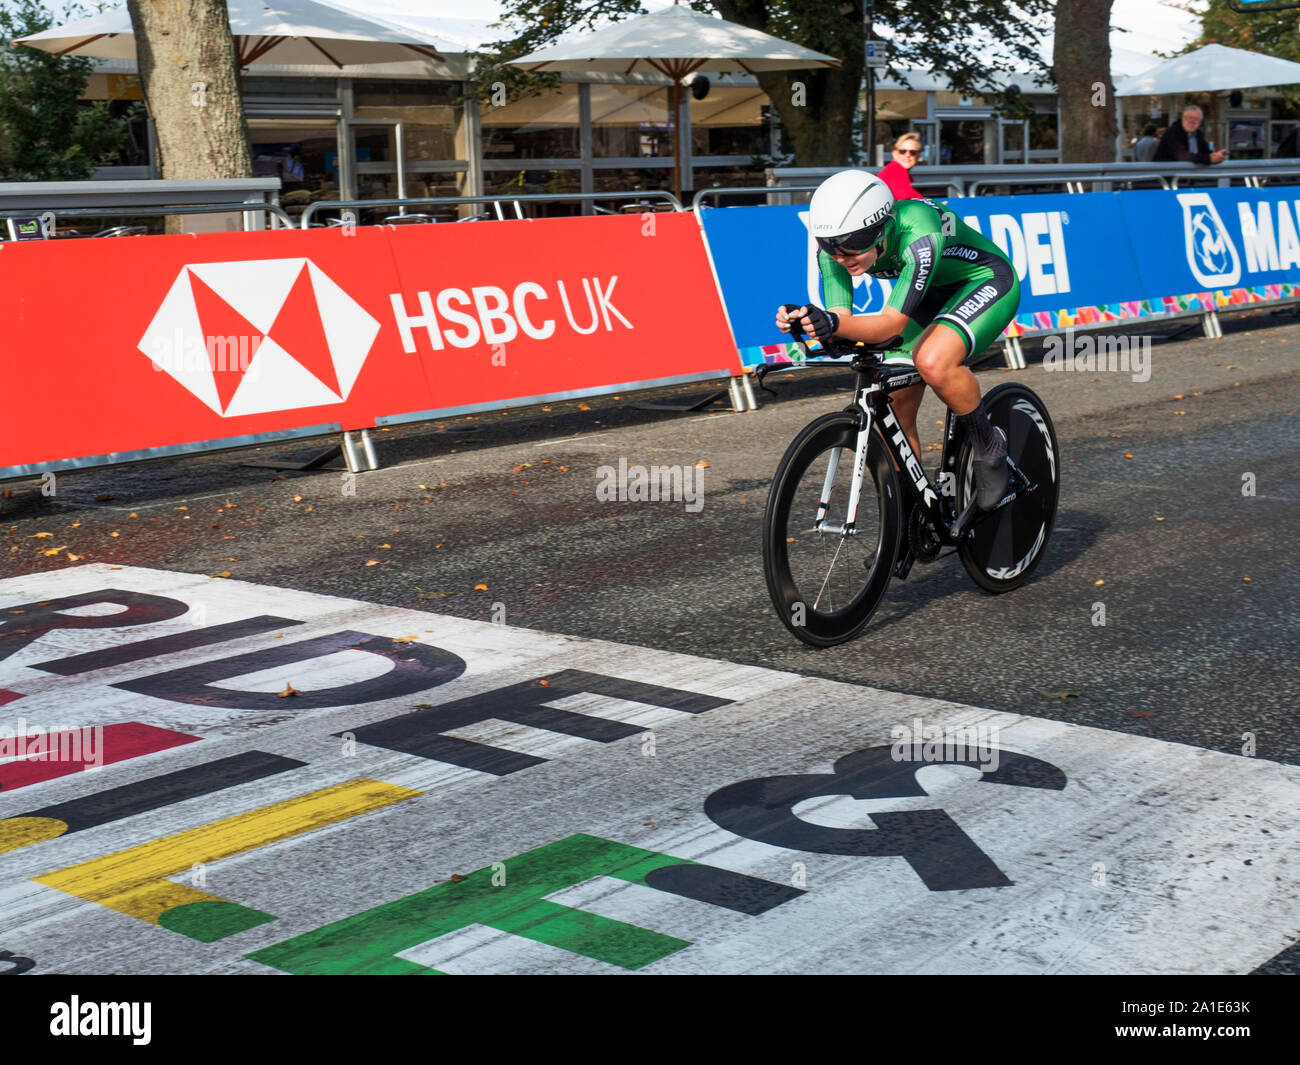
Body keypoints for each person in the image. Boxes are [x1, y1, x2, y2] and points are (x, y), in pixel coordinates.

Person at [776, 169, 1020, 511]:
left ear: (879, 231)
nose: (841, 259)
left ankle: (989, 445)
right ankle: (908, 519)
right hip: (926, 296)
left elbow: (890, 325)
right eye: (832, 249)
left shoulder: (918, 231)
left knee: (933, 361)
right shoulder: (834, 249)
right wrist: (812, 323)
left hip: (983, 281)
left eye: (850, 250)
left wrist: (832, 323)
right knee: (894, 397)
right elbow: (842, 322)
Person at [1154, 106, 1227, 165]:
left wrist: (1217, 155)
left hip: (1189, 178)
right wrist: (1209, 159)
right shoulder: (1172, 132)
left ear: (1200, 122)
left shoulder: (1198, 134)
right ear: (1183, 119)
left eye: (1196, 119)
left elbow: (1206, 152)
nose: (1192, 121)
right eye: (1189, 118)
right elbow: (1182, 156)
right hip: (1166, 178)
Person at [877, 131, 924, 200]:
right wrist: (932, 205)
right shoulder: (895, 169)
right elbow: (906, 195)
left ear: (919, 155)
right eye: (902, 151)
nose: (907, 155)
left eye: (912, 152)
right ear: (894, 153)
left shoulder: (893, 169)